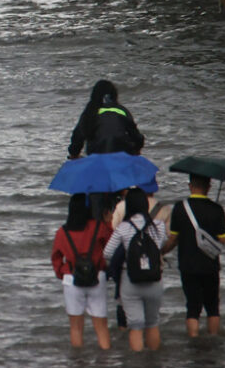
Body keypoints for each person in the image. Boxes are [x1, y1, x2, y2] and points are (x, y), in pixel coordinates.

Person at [163, 173, 225, 338]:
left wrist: (162, 252)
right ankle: (213, 337)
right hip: (210, 265)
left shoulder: (180, 208)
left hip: (188, 265)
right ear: (209, 187)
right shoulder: (217, 209)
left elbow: (173, 238)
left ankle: (193, 338)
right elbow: (223, 239)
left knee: (192, 306)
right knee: (213, 306)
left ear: (190, 186)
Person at [104, 187, 168, 351]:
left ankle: (137, 366)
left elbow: (108, 252)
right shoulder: (158, 226)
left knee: (136, 325)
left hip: (130, 280)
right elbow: (161, 246)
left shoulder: (124, 228)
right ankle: (153, 363)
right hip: (155, 279)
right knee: (153, 323)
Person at [50, 193, 112, 349]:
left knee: (76, 327)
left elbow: (56, 257)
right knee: (101, 326)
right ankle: (106, 363)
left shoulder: (62, 232)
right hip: (97, 277)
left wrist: (62, 272)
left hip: (72, 279)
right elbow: (110, 248)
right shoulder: (98, 227)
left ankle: (79, 364)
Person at [67, 79, 145, 158]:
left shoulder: (90, 112)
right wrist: (137, 150)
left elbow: (77, 137)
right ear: (114, 95)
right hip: (122, 154)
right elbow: (136, 136)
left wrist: (74, 154)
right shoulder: (122, 111)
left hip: (96, 155)